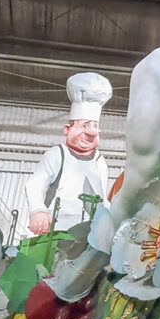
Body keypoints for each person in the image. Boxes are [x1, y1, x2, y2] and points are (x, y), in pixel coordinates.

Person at [26, 73, 112, 234]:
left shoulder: (99, 160)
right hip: (54, 229)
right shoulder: (57, 154)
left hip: (89, 232)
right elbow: (36, 184)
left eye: (94, 126)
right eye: (85, 126)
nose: (92, 133)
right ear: (67, 129)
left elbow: (101, 195)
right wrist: (38, 210)